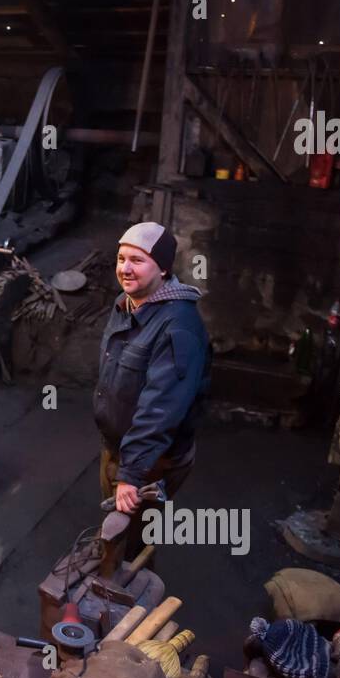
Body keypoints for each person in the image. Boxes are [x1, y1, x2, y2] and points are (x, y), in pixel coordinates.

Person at [94, 222, 211, 529]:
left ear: (162, 269)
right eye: (122, 259)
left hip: (152, 462)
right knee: (118, 538)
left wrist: (131, 475)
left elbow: (161, 408)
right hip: (120, 449)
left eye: (138, 260)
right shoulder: (125, 305)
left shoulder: (178, 326)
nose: (125, 269)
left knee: (131, 541)